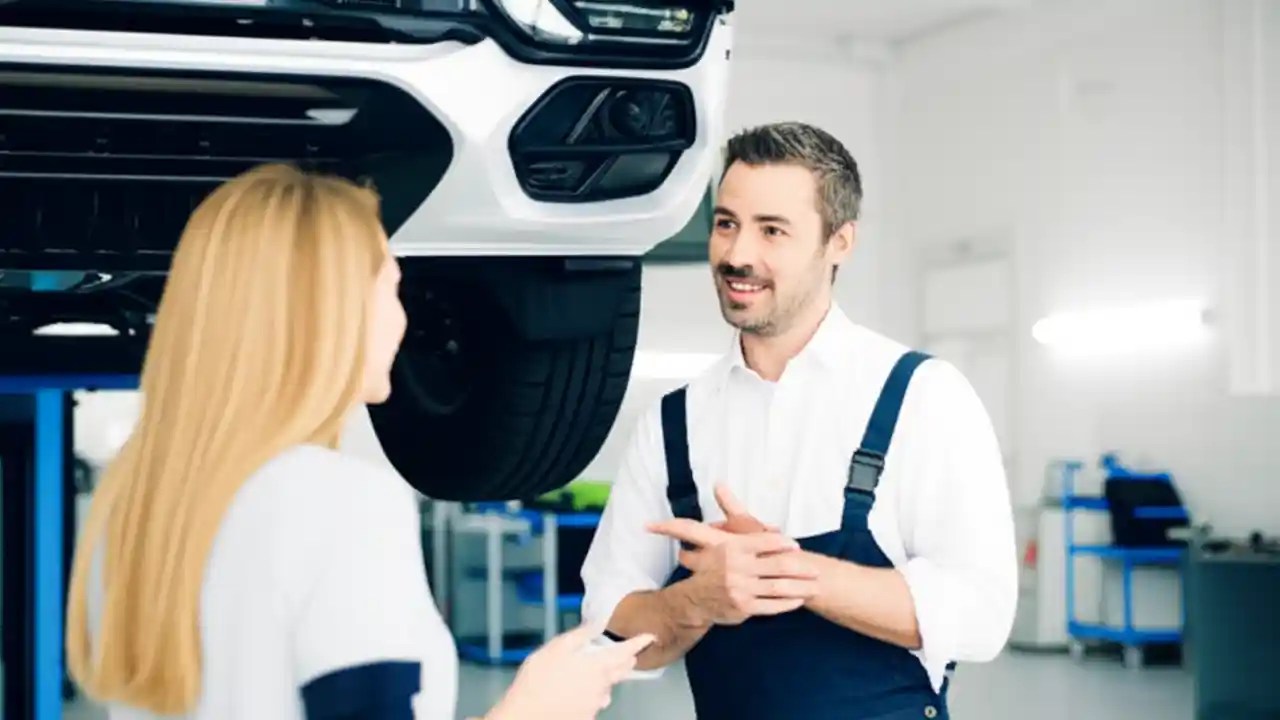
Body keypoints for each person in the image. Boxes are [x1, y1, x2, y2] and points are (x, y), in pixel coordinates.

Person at [63, 163, 653, 720]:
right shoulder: (337, 500)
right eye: (391, 288)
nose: (403, 320)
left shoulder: (136, 503)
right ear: (331, 308)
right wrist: (535, 707)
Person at [580, 122, 1018, 720]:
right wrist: (698, 601)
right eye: (727, 223)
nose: (737, 255)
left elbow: (981, 616)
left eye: (772, 231)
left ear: (839, 242)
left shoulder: (922, 396)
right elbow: (611, 625)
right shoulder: (673, 422)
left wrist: (791, 574)